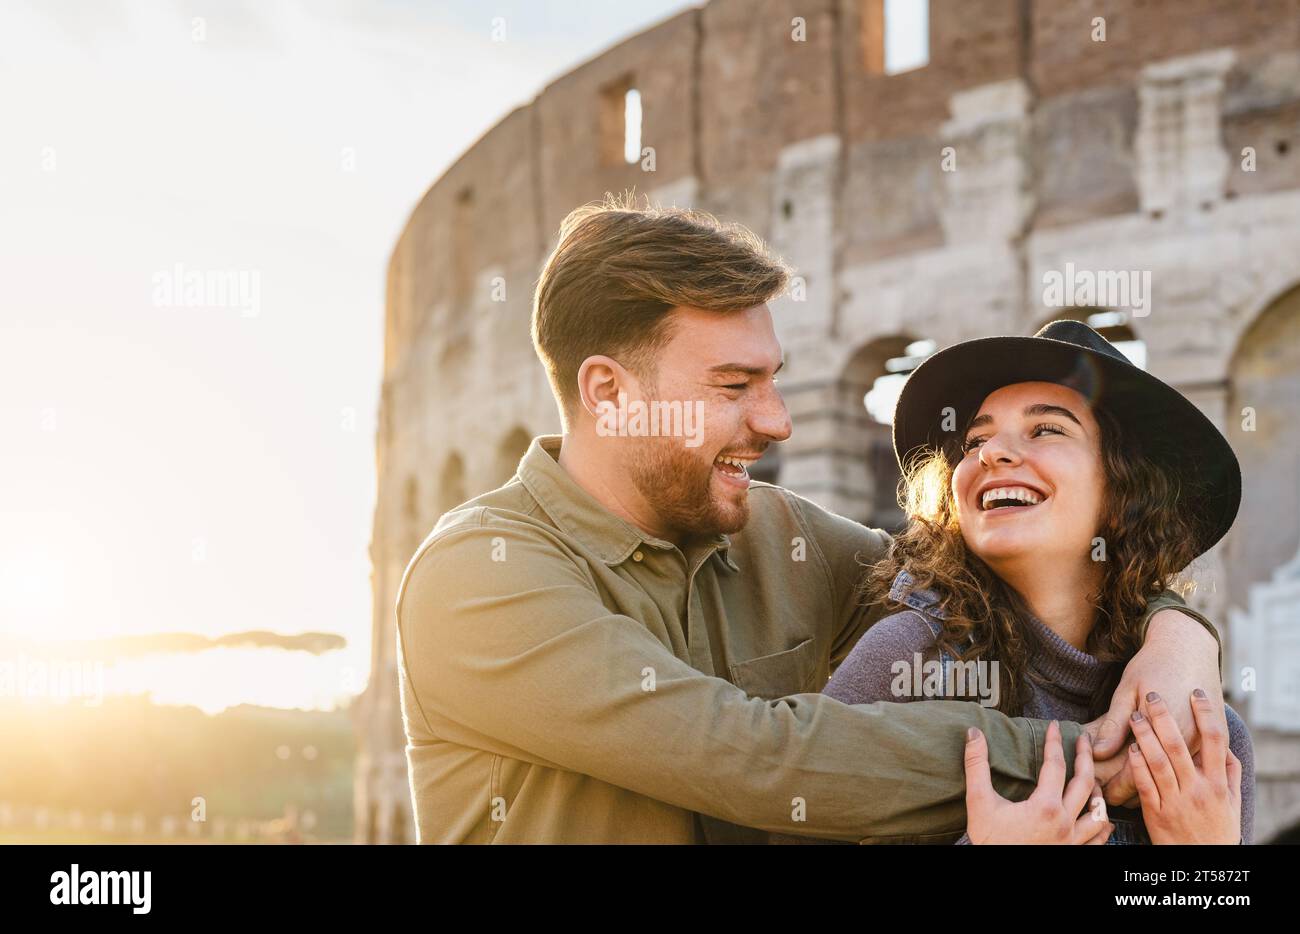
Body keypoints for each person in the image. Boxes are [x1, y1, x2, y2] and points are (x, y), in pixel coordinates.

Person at [396, 199, 1224, 843]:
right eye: (733, 386)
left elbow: (1002, 576)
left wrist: (1178, 634)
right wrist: (1083, 759)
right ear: (610, 393)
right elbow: (749, 756)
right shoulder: (480, 576)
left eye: (774, 380)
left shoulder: (777, 532)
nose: (778, 420)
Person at [794, 320, 1252, 844]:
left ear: (1127, 487)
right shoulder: (906, 662)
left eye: (1047, 429)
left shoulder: (1208, 731)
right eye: (976, 439)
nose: (991, 453)